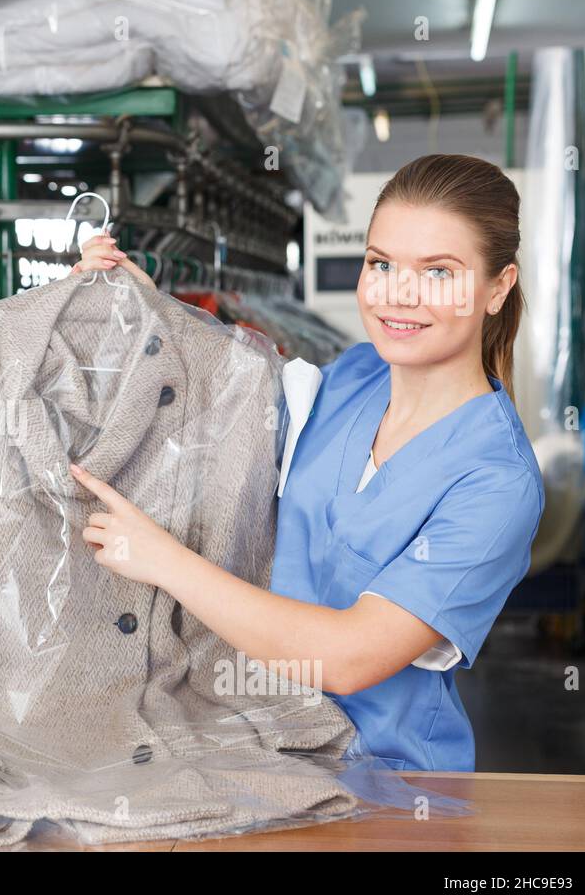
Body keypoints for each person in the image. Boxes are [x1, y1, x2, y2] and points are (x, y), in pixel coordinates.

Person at [69, 153, 545, 772]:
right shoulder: (355, 375)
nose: (398, 294)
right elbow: (228, 414)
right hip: (251, 750)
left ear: (497, 287)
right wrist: (143, 311)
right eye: (381, 264)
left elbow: (350, 657)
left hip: (383, 785)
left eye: (438, 272)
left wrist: (162, 561)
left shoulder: (496, 482)